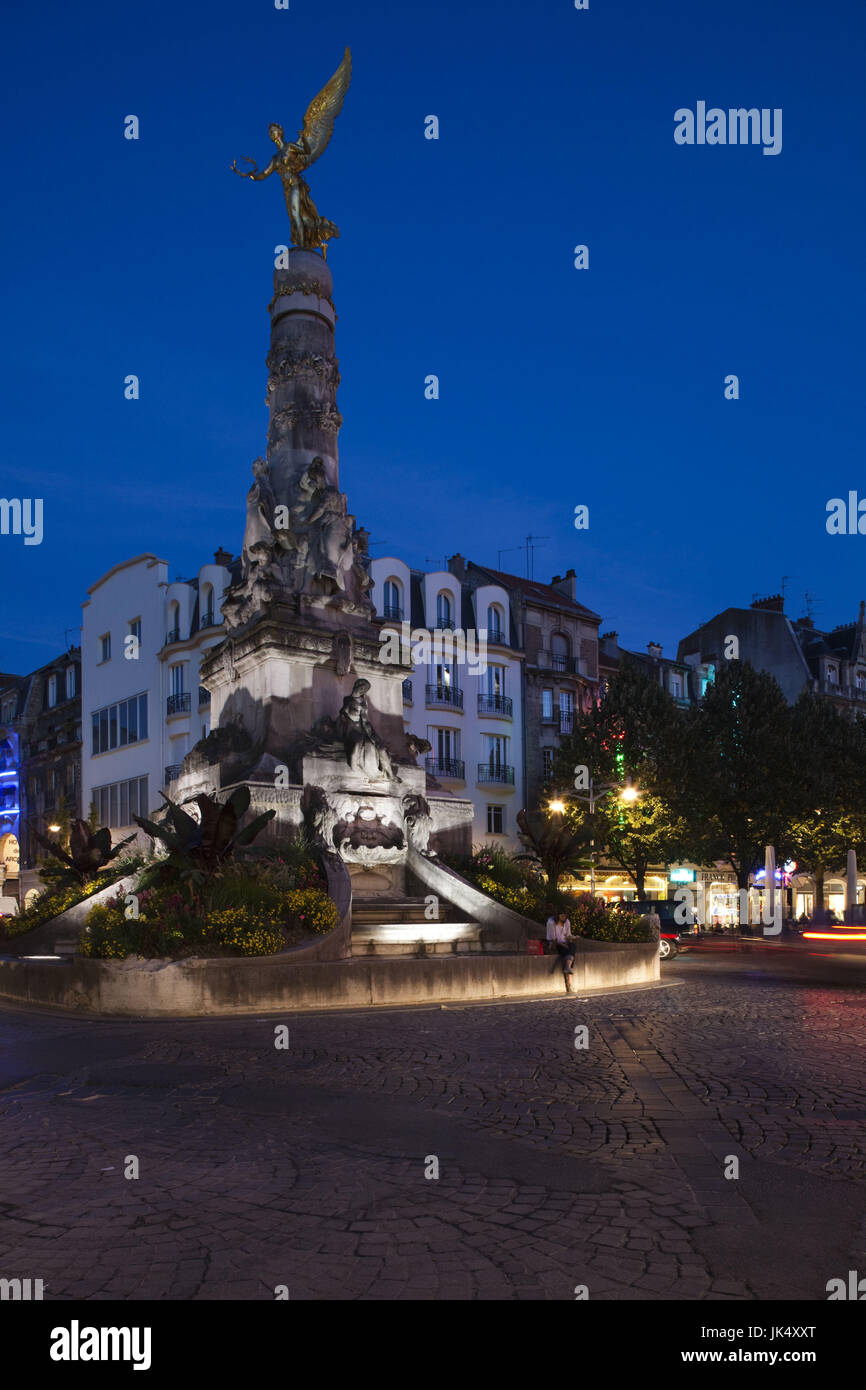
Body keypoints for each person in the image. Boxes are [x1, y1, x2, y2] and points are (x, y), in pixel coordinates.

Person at [546, 909, 577, 993]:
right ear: (557, 915)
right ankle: (569, 982)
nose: (564, 917)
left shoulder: (567, 922)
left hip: (565, 943)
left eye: (565, 915)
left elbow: (568, 935)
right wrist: (565, 945)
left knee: (572, 947)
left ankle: (567, 967)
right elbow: (554, 940)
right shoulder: (551, 922)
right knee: (569, 951)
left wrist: (572, 938)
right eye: (561, 915)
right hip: (554, 944)